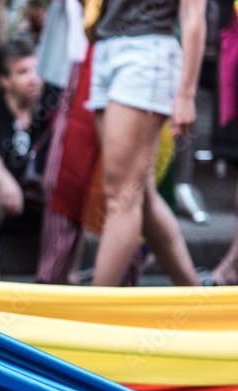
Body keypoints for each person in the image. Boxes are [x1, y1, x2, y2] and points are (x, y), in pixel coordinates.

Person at [86, 0, 206, 287]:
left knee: (121, 197)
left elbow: (193, 16)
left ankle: (92, 315)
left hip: (146, 53)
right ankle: (195, 301)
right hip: (105, 46)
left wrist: (187, 95)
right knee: (141, 194)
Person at [0, 38, 56, 280]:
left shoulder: (51, 107)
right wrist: (4, 179)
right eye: (23, 72)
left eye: (37, 69)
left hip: (38, 199)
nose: (34, 78)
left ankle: (59, 259)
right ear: (4, 81)